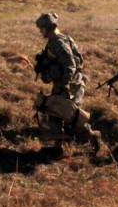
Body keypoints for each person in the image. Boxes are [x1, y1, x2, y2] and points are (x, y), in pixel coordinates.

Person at [33, 12, 103, 151]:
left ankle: (91, 136)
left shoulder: (58, 41)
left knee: (70, 115)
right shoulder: (58, 39)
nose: (40, 31)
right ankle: (58, 147)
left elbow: (70, 64)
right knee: (54, 113)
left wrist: (66, 84)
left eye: (41, 28)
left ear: (49, 27)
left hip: (69, 84)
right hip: (63, 83)